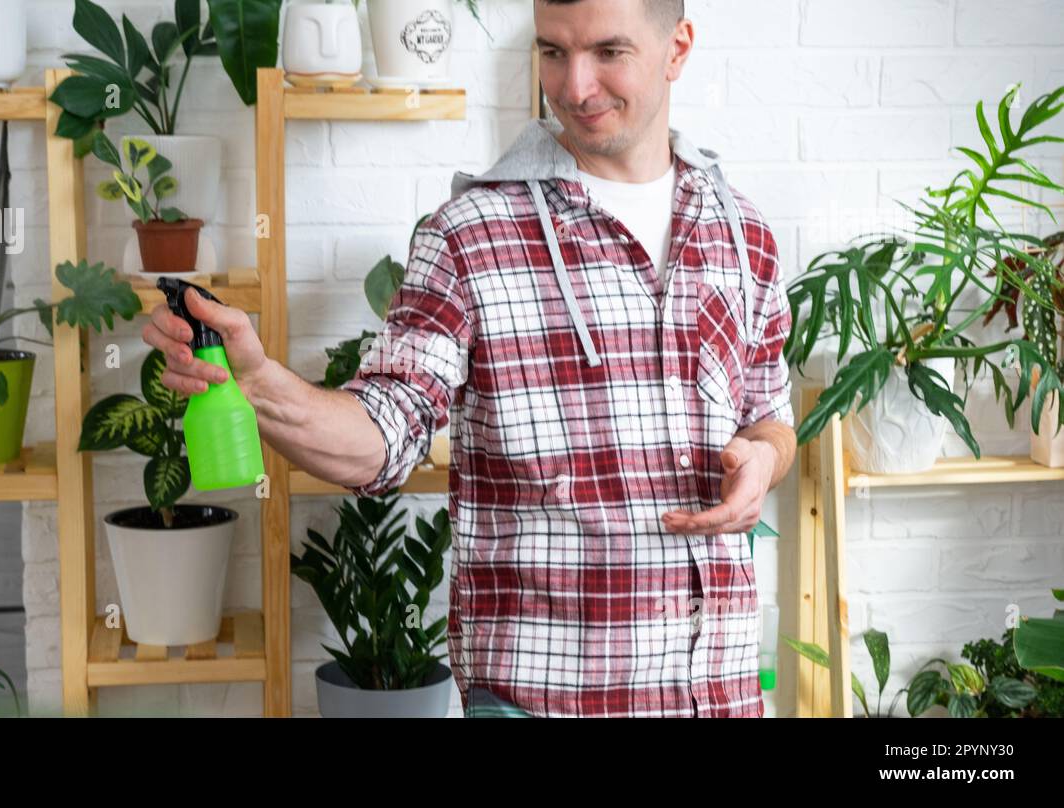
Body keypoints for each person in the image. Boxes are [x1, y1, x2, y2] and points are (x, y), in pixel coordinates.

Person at [143, 0, 797, 717]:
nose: (574, 87)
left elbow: (769, 418)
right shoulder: (469, 236)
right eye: (552, 53)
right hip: (546, 703)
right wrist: (260, 384)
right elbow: (381, 440)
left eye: (609, 53)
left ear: (677, 49)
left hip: (722, 698)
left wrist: (763, 457)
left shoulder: (744, 236)